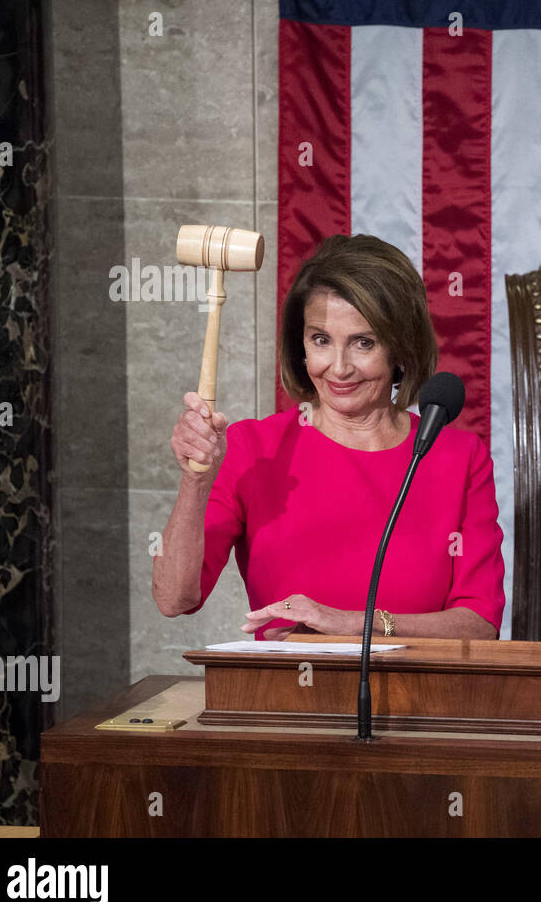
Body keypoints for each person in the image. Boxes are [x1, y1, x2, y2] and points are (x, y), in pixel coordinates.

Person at [151, 234, 504, 640]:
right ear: (300, 346)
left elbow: (479, 627)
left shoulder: (458, 458)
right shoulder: (253, 448)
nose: (338, 368)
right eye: (321, 340)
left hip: (419, 699)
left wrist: (354, 624)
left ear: (401, 349)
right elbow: (173, 599)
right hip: (289, 697)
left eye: (363, 343)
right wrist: (196, 480)